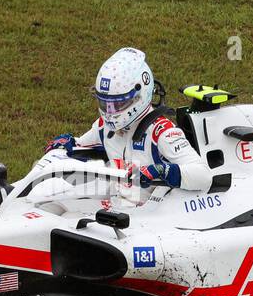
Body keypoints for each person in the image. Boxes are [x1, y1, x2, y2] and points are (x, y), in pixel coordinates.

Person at [45, 47, 213, 196]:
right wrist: (66, 144)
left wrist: (162, 170)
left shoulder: (163, 132)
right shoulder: (104, 128)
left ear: (140, 95)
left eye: (118, 103)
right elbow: (80, 146)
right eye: (105, 103)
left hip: (157, 213)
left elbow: (204, 176)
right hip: (123, 204)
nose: (110, 112)